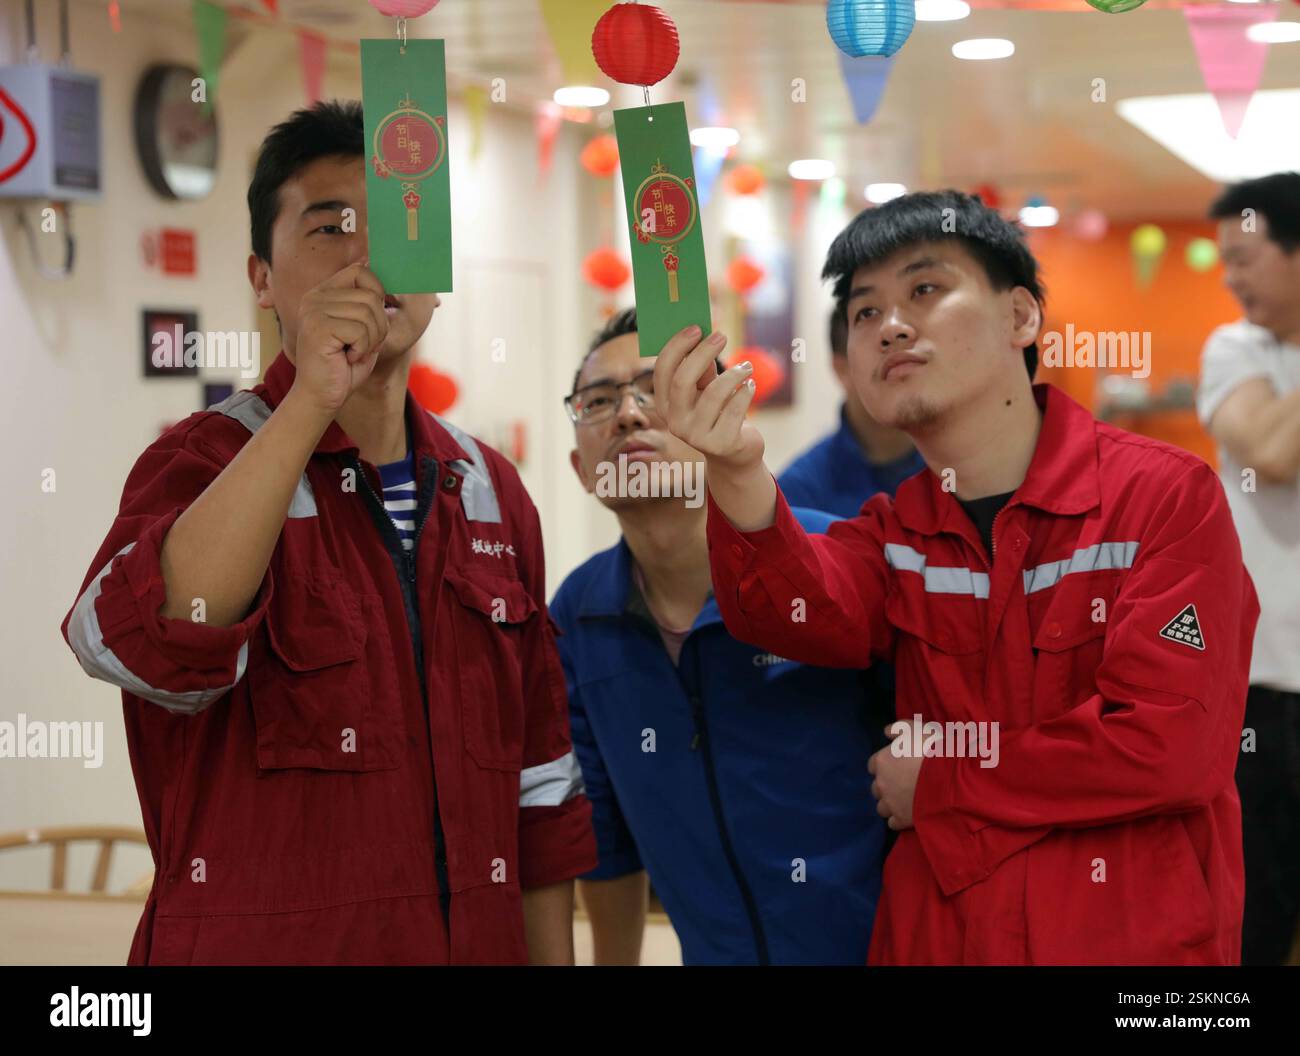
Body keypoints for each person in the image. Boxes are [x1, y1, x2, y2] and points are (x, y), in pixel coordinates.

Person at [652, 190, 1259, 965]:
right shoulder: (897, 531)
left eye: (926, 290)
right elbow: (792, 612)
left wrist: (940, 783)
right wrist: (736, 470)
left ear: (1021, 318)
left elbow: (1168, 746)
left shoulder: (1163, 498)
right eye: (864, 313)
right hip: (943, 937)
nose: (891, 325)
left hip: (1128, 943)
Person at [60, 100, 595, 965]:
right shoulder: (204, 459)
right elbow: (144, 646)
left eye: (396, 230)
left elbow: (541, 789)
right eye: (329, 227)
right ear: (261, 278)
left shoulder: (489, 489)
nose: (366, 257)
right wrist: (314, 398)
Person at [551, 308, 887, 965]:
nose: (627, 416)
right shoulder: (580, 615)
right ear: (580, 467)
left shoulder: (830, 556)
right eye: (599, 401)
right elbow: (605, 835)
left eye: (653, 389)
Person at [1198, 171, 1300, 966]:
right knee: (1256, 912)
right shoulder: (1234, 348)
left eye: (1244, 257)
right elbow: (1271, 451)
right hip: (1262, 689)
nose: (1229, 279)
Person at [778, 307, 923, 517]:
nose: (901, 371)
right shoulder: (799, 496)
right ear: (842, 369)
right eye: (883, 352)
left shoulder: (961, 471)